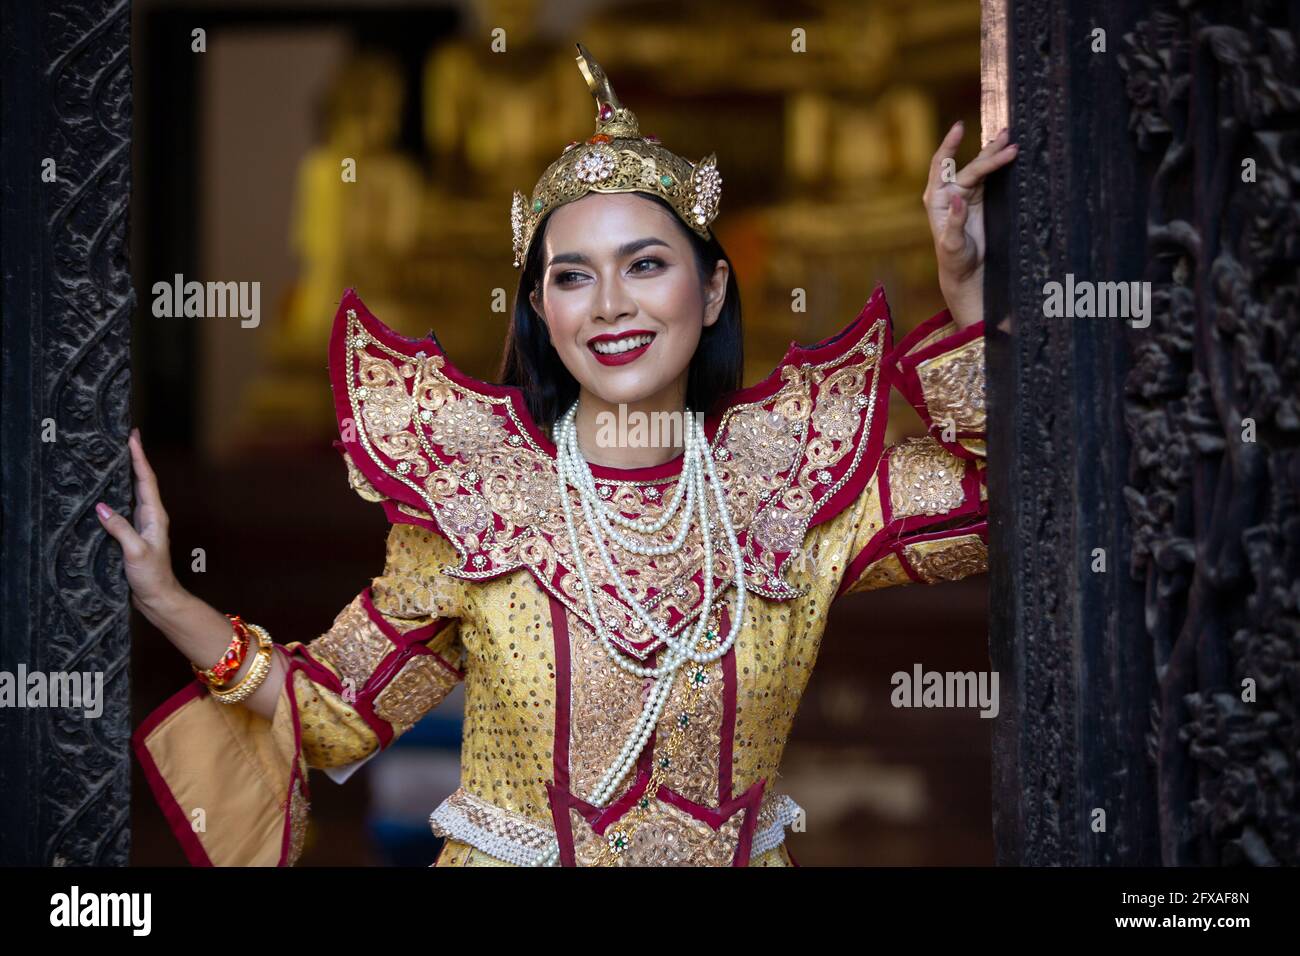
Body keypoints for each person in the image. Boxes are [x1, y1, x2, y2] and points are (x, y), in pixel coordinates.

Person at [106, 42, 1017, 866]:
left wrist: (967, 288)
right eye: (573, 277)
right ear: (543, 312)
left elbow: (994, 500)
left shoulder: (791, 482)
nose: (611, 303)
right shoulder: (477, 498)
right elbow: (334, 712)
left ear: (712, 289)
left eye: (646, 264)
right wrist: (167, 597)